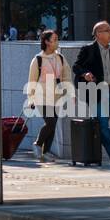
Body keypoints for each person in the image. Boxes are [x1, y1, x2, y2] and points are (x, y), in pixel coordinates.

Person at [72, 21, 110, 166]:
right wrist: (85, 73)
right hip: (97, 92)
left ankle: (95, 155)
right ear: (98, 34)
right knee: (102, 123)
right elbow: (76, 66)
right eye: (108, 30)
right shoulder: (88, 50)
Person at [27, 29, 71, 162]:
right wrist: (31, 98)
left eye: (57, 39)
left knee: (53, 124)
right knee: (50, 122)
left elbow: (66, 76)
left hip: (56, 97)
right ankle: (38, 144)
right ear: (46, 42)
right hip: (42, 97)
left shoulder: (60, 58)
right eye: (55, 39)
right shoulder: (38, 60)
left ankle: (45, 152)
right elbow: (32, 80)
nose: (57, 42)